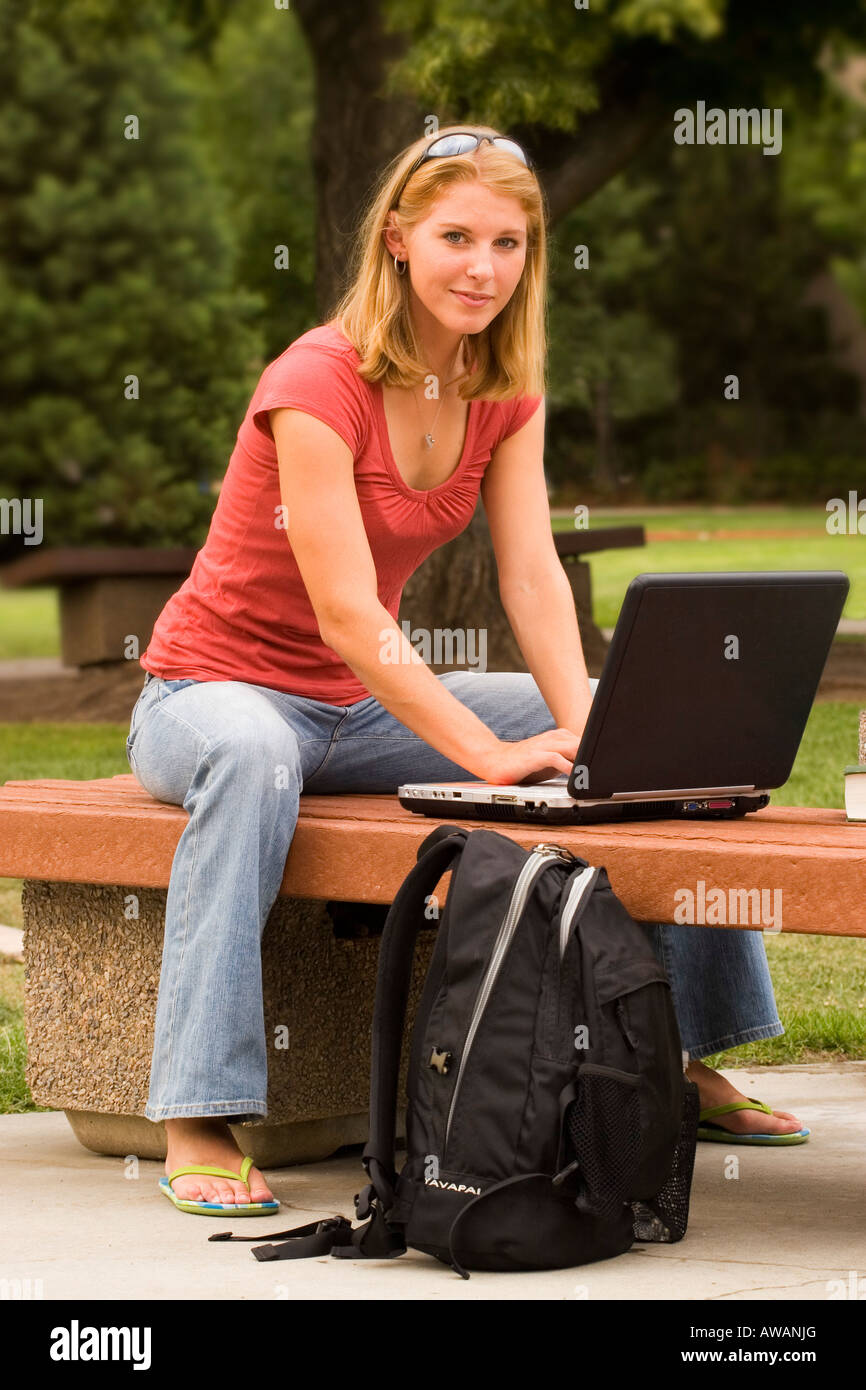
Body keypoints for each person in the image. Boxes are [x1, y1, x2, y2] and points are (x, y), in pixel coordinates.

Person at [126, 125, 806, 1216]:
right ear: (397, 239)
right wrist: (485, 752)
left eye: (506, 242)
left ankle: (678, 1053)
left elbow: (530, 575)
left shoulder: (501, 386)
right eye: (454, 236)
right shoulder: (315, 381)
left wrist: (594, 724)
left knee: (632, 721)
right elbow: (349, 613)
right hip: (213, 696)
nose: (481, 267)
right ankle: (197, 1111)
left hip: (356, 709)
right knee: (253, 756)